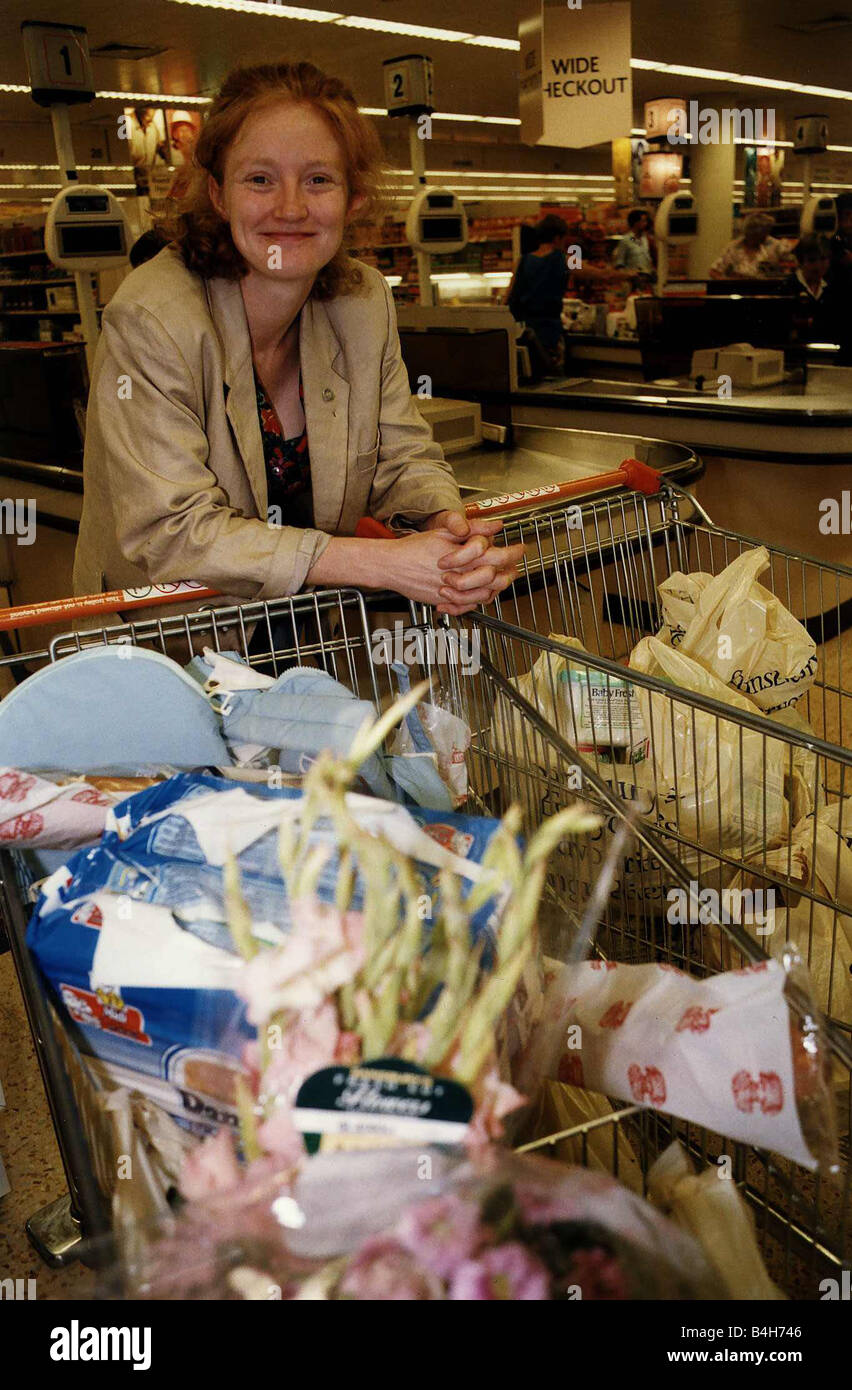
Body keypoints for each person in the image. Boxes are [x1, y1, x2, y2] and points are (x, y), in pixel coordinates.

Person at [74, 62, 523, 621]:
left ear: (353, 198)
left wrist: (444, 525)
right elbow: (172, 533)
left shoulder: (362, 303)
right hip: (171, 650)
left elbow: (401, 456)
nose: (291, 208)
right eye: (260, 179)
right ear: (218, 194)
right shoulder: (151, 320)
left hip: (309, 633)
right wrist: (382, 565)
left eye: (318, 179)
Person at [505, 214, 571, 375]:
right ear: (557, 238)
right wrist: (627, 274)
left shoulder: (523, 261)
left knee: (530, 373)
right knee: (553, 376)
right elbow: (597, 273)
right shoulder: (562, 259)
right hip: (550, 331)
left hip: (524, 331)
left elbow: (508, 296)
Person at [782, 234, 838, 345]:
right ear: (801, 261)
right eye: (812, 260)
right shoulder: (788, 286)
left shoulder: (833, 286)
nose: (818, 265)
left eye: (823, 259)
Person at [709, 212, 787, 279]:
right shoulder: (733, 247)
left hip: (767, 291)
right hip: (738, 290)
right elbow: (714, 271)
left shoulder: (775, 245)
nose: (766, 235)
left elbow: (791, 264)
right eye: (763, 232)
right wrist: (728, 283)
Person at [612, 209, 654, 281]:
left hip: (647, 278)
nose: (645, 224)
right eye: (643, 221)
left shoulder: (645, 239)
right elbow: (619, 263)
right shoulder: (627, 240)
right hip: (633, 280)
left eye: (646, 221)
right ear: (635, 222)